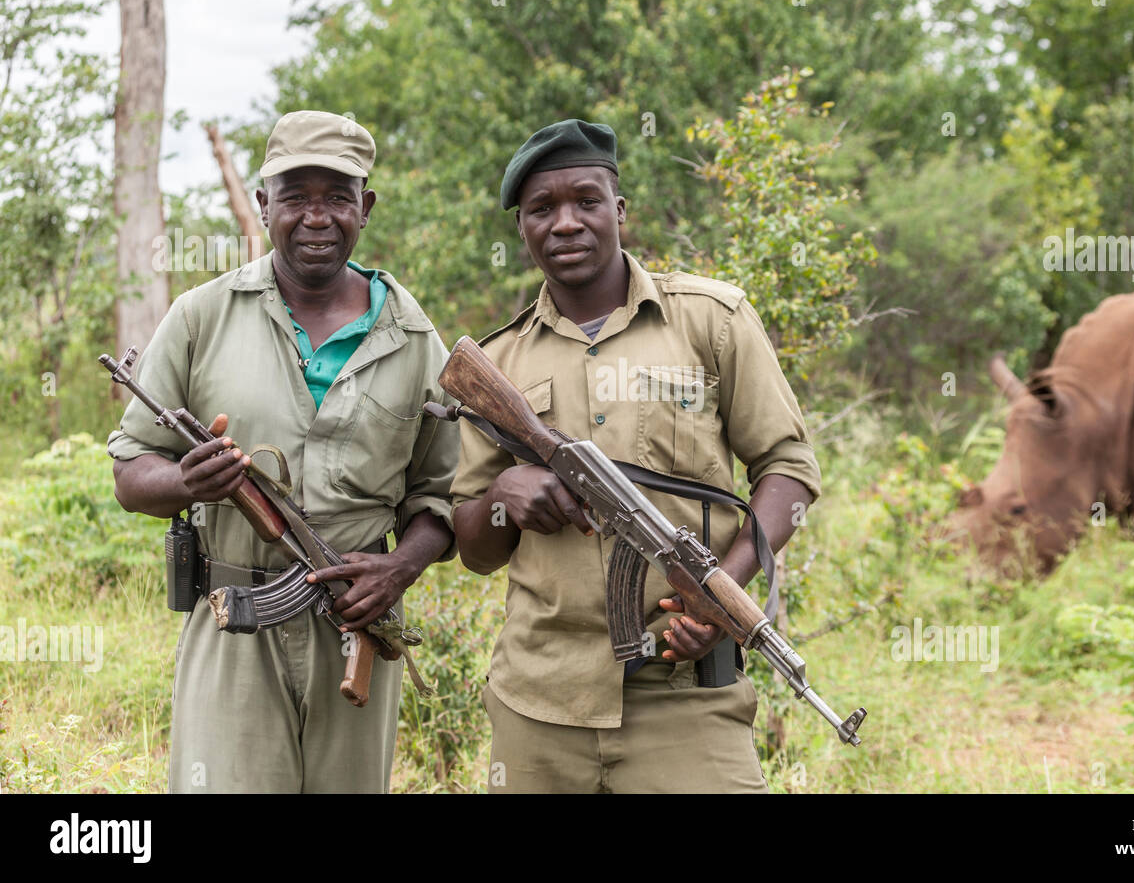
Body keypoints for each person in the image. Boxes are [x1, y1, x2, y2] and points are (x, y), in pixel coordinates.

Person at [451, 119, 822, 793]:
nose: (566, 223)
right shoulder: (497, 364)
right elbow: (474, 547)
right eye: (542, 209)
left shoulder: (712, 319)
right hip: (541, 705)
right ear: (523, 229)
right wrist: (504, 498)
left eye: (586, 201)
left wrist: (720, 596)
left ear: (620, 210)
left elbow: (790, 471)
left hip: (687, 698)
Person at [107, 110, 458, 793]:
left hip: (357, 622)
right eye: (295, 196)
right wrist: (187, 480)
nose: (316, 217)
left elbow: (443, 497)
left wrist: (400, 567)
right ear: (263, 203)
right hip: (233, 622)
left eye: (337, 196)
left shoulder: (415, 339)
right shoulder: (201, 316)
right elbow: (129, 473)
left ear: (368, 207)